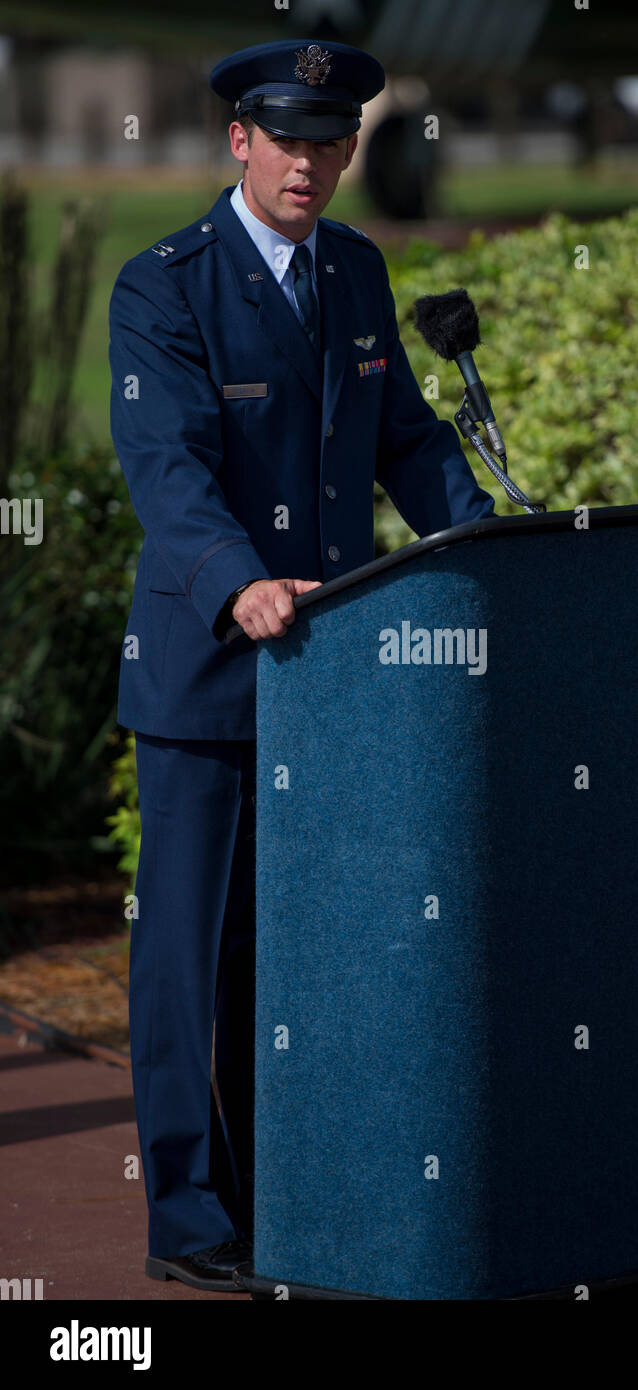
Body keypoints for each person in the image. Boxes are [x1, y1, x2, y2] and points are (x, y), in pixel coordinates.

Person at [108, 37, 496, 1293]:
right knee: (186, 955)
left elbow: (403, 439)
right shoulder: (162, 285)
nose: (311, 164)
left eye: (332, 141)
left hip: (333, 675)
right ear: (238, 141)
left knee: (296, 955)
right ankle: (187, 1216)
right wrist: (243, 578)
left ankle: (291, 1195)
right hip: (211, 668)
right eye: (288, 139)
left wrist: (492, 549)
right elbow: (166, 467)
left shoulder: (358, 269)